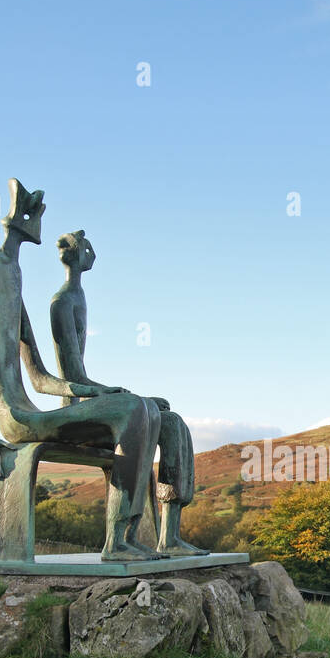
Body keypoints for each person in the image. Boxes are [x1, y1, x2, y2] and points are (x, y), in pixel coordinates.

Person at [0, 179, 158, 561]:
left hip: (33, 406)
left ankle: (133, 534)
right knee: (133, 410)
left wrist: (102, 392)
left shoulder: (15, 277)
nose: (42, 225)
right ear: (21, 222)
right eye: (36, 216)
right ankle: (115, 542)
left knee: (141, 406)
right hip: (16, 417)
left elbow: (40, 377)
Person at [50, 228, 208, 556]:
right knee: (140, 413)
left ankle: (169, 536)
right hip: (73, 409)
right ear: (80, 256)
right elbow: (73, 375)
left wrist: (135, 398)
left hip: (93, 402)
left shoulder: (79, 298)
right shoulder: (62, 301)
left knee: (173, 423)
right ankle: (116, 541)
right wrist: (124, 397)